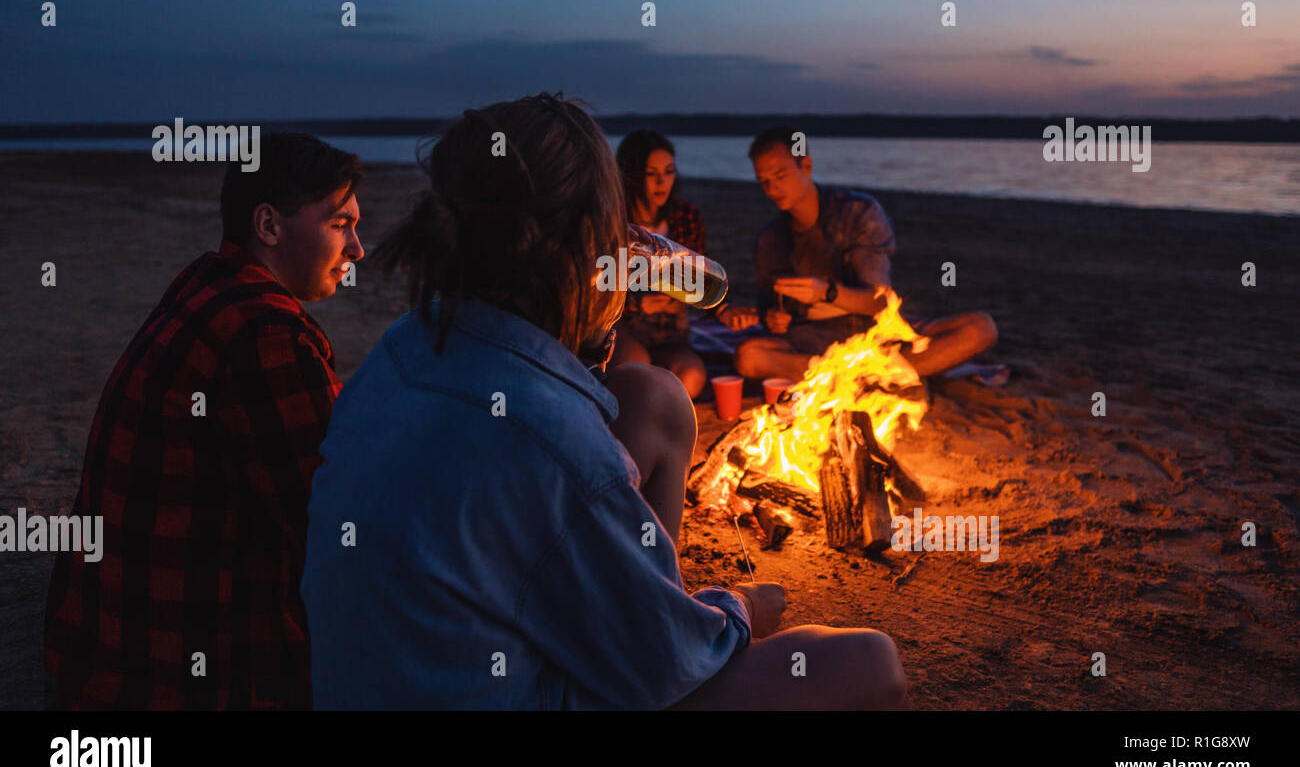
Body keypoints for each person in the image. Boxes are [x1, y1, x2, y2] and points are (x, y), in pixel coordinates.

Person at [301, 95, 905, 710]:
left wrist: (592, 321)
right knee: (870, 663)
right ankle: (649, 608)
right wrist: (739, 607)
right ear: (590, 249)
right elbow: (665, 659)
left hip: (391, 672)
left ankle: (645, 591)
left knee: (654, 395)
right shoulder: (555, 444)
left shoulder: (404, 344)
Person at [44, 133, 364, 709]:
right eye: (340, 225)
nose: (358, 250)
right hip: (186, 672)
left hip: (100, 642)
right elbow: (334, 523)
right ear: (269, 226)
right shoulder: (268, 334)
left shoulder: (209, 282)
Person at [735, 125, 999, 384]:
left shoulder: (858, 213)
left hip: (876, 334)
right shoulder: (770, 240)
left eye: (780, 176)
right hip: (814, 343)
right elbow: (767, 308)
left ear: (806, 166)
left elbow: (880, 302)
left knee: (980, 328)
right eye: (764, 182)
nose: (772, 189)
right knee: (749, 357)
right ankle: (879, 377)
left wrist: (827, 292)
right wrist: (774, 320)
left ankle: (851, 378)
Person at [610, 130, 757, 398]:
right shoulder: (615, 223)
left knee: (692, 376)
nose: (662, 181)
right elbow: (599, 285)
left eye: (668, 171)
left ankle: (667, 432)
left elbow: (700, 279)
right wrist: (636, 304)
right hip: (624, 326)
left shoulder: (685, 217)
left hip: (670, 331)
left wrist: (722, 310)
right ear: (631, 174)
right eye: (651, 173)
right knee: (637, 372)